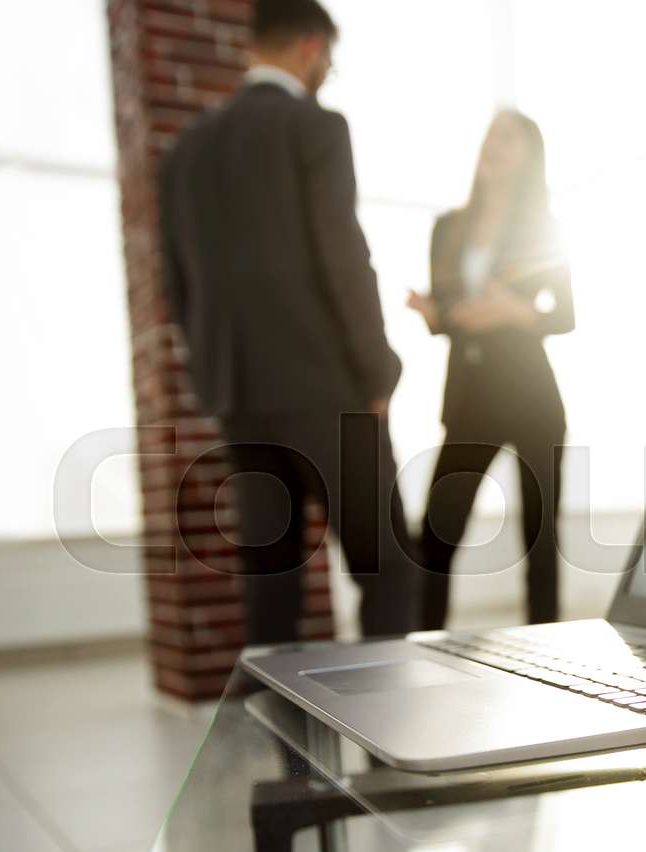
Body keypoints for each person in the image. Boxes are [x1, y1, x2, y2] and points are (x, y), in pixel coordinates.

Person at [158, 0, 414, 644]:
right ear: (310, 47)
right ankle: (386, 709)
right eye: (329, 59)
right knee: (388, 569)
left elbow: (177, 287)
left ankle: (270, 710)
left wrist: (217, 380)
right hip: (327, 385)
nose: (327, 71)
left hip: (238, 394)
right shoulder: (315, 127)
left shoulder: (186, 152)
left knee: (271, 582)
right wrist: (378, 370)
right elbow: (342, 256)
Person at [406, 111, 575, 630]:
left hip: (532, 397)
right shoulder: (448, 228)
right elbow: (452, 312)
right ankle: (423, 647)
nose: (492, 143)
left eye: (507, 137)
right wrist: (436, 317)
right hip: (470, 398)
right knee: (435, 536)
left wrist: (515, 313)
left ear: (528, 156)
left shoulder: (542, 228)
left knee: (540, 542)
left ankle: (547, 652)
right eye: (489, 134)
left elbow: (564, 316)